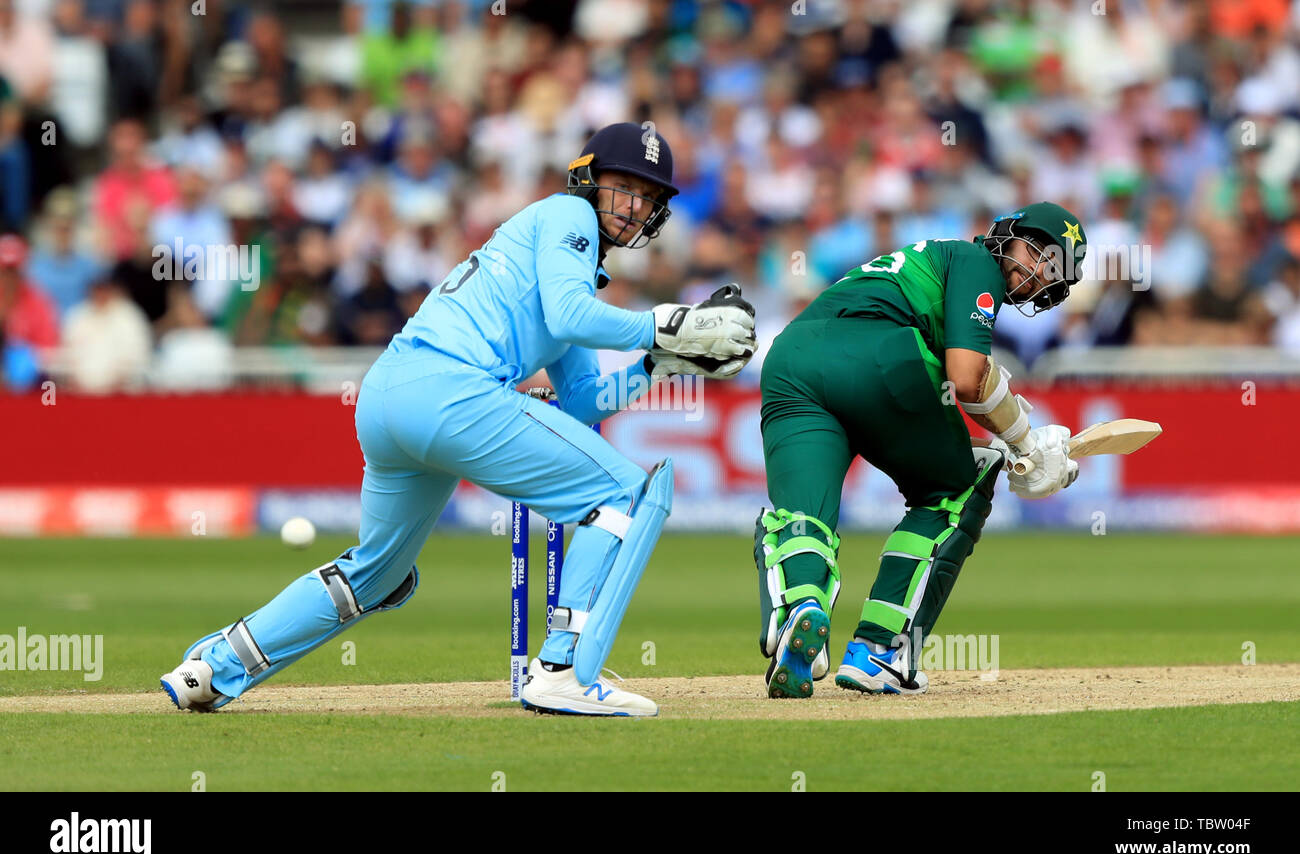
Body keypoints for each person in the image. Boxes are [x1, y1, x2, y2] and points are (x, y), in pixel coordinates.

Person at [161, 122, 757, 716]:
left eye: (649, 197)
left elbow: (579, 406)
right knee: (626, 492)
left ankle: (214, 667)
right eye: (624, 187)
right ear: (587, 180)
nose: (635, 206)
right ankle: (563, 671)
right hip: (453, 393)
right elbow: (573, 315)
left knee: (375, 577)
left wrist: (656, 363)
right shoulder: (567, 218)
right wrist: (666, 323)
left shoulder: (563, 266)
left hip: (390, 397)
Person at [755, 203, 1085, 699]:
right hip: (876, 358)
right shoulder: (976, 263)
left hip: (790, 361)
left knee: (801, 514)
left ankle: (799, 612)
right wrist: (1025, 444)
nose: (1038, 272)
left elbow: (969, 379)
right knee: (963, 480)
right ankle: (880, 653)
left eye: (1052, 272)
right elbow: (967, 380)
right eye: (1038, 252)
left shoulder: (929, 259)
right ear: (1004, 236)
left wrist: (1024, 437)